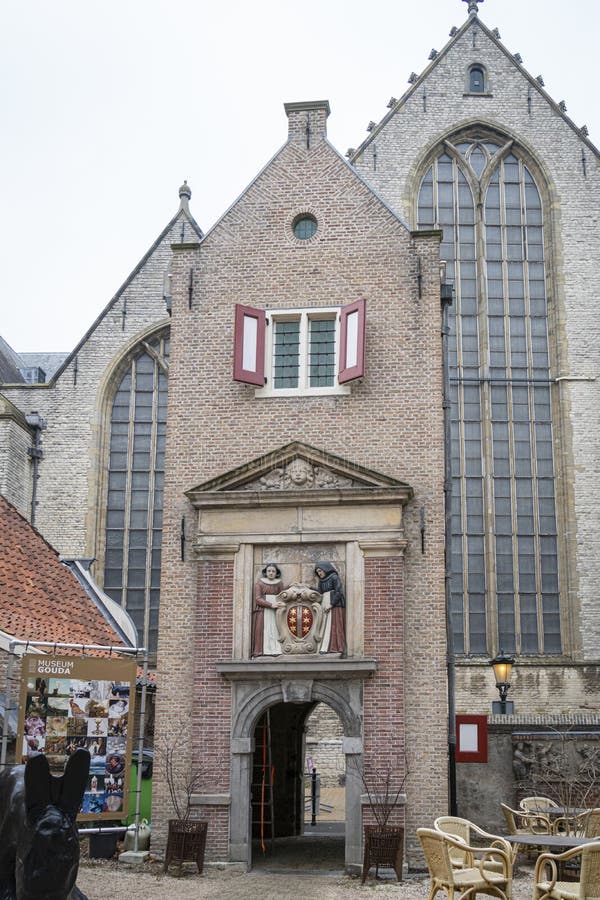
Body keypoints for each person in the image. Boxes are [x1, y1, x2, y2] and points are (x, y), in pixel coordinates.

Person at [252, 563, 286, 657]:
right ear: (266, 572)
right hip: (263, 611)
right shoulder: (259, 584)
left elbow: (282, 596)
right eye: (269, 571)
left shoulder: (279, 583)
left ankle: (275, 649)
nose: (271, 573)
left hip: (276, 611)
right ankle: (262, 651)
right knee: (264, 630)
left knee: (275, 629)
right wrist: (271, 605)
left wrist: (282, 603)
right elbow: (258, 599)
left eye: (273, 571)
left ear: (276, 573)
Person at [314, 562, 346, 654]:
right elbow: (320, 592)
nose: (319, 573)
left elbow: (338, 591)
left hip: (334, 605)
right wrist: (309, 587)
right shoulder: (321, 581)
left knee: (333, 626)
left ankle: (334, 647)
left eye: (320, 571)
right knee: (325, 625)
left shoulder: (334, 577)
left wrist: (332, 604)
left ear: (325, 568)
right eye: (318, 572)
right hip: (325, 603)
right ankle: (324, 647)